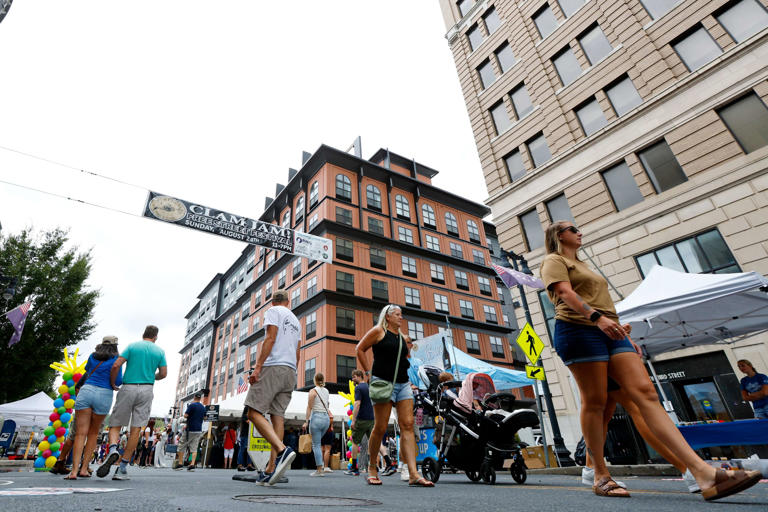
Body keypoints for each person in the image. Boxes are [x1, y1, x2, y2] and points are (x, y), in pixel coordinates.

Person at [540, 220, 761, 500]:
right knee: (596, 402)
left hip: (612, 331)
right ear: (560, 235)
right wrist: (598, 319)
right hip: (578, 330)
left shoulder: (584, 265)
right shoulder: (553, 260)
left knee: (645, 394)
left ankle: (700, 471)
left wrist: (620, 331)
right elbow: (563, 293)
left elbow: (601, 301)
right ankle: (600, 474)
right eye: (574, 229)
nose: (580, 232)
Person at [355, 304, 434, 487]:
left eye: (401, 315)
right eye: (398, 315)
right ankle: (372, 468)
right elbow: (360, 348)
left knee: (407, 425)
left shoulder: (402, 338)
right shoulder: (378, 331)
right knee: (380, 427)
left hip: (403, 383)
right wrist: (368, 374)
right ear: (388, 317)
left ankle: (413, 473)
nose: (401, 317)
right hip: (383, 383)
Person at [96, 325, 167, 481]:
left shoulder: (133, 346)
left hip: (128, 387)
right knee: (136, 429)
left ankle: (113, 449)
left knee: (115, 424)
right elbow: (163, 374)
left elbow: (116, 365)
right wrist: (151, 376)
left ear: (143, 334)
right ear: (155, 337)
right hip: (147, 389)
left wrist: (113, 382)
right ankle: (122, 469)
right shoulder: (159, 351)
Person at [244, 289, 299, 485]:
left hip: (274, 366)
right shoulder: (296, 320)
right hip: (290, 370)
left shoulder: (273, 311)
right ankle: (270, 468)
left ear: (273, 301)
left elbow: (270, 338)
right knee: (278, 417)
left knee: (253, 412)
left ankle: (283, 450)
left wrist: (257, 367)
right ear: (288, 300)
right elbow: (298, 351)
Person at [64, 336, 123, 480]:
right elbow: (118, 380)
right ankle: (84, 469)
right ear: (115, 346)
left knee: (80, 434)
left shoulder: (92, 356)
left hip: (87, 390)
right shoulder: (117, 359)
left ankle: (73, 471)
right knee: (93, 433)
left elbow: (88, 371)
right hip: (104, 393)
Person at [302, 372, 333, 477]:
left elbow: (309, 407)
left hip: (316, 418)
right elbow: (328, 404)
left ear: (315, 380)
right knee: (319, 443)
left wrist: (306, 421)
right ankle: (322, 467)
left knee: (316, 445)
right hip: (326, 419)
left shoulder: (313, 391)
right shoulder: (327, 391)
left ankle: (319, 470)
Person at [344, 369, 374, 476]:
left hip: (361, 419)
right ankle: (388, 461)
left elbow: (357, 404)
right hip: (371, 419)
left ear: (359, 376)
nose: (352, 379)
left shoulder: (358, 388)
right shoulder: (369, 387)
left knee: (355, 442)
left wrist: (353, 420)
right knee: (375, 441)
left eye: (354, 377)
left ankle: (354, 468)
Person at [173, 392, 206, 471]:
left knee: (181, 445)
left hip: (190, 429)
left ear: (194, 397)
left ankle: (180, 464)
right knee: (194, 447)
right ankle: (192, 465)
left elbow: (185, 415)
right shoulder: (203, 407)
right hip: (198, 430)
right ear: (200, 398)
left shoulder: (191, 405)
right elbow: (205, 418)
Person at [236, 407, 255, 471]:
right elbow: (250, 422)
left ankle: (249, 465)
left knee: (249, 450)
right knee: (242, 450)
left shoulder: (247, 416)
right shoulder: (245, 416)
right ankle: (240, 465)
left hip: (248, 435)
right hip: (244, 435)